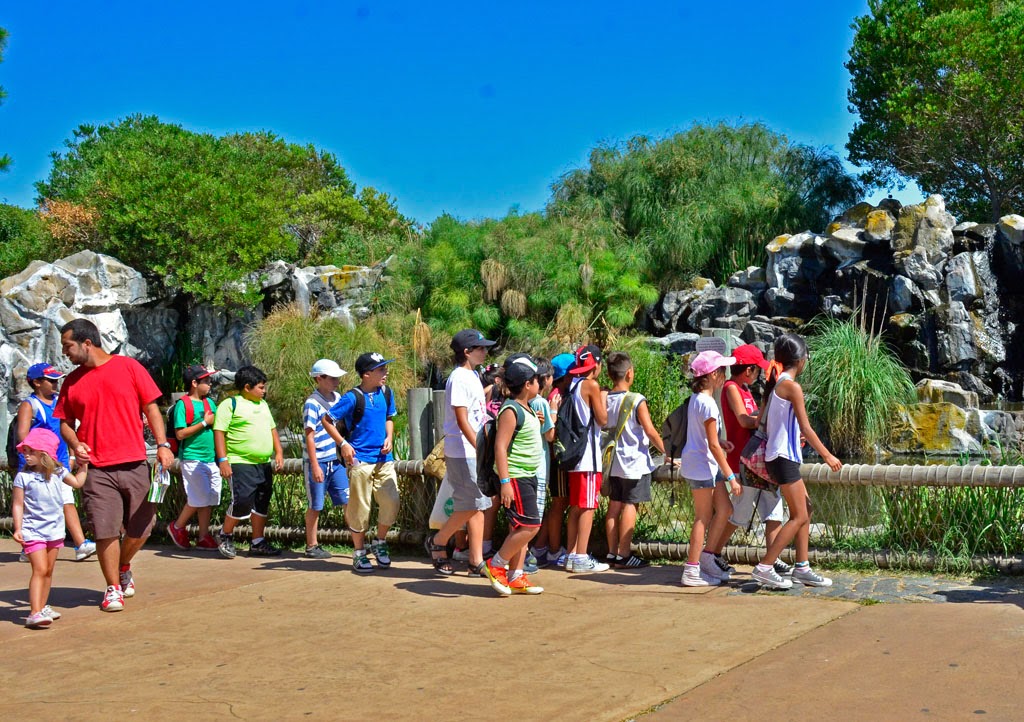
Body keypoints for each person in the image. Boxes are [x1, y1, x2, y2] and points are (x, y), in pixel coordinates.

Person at [55, 318, 175, 613]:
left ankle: (123, 565)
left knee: (144, 527)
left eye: (67, 346)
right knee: (105, 530)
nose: (65, 353)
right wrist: (75, 444)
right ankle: (112, 587)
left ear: (87, 343)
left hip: (135, 462)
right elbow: (65, 425)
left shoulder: (129, 367)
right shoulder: (71, 382)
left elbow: (151, 407)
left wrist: (162, 445)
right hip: (95, 468)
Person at [751, 334, 843, 590]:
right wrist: (827, 455)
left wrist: (796, 434)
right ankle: (765, 566)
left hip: (782, 456)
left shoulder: (778, 383)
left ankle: (802, 567)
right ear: (801, 361)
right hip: (782, 458)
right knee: (799, 515)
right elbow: (807, 426)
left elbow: (783, 424)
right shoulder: (791, 386)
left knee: (806, 509)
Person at [706, 345, 793, 579]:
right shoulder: (732, 387)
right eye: (757, 371)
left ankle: (772, 558)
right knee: (739, 512)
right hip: (744, 460)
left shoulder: (744, 389)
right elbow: (745, 421)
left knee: (773, 508)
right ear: (749, 370)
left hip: (759, 460)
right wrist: (764, 408)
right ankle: (713, 552)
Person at [425, 329, 496, 577]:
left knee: (478, 505)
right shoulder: (458, 377)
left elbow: (477, 414)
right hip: (463, 450)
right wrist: (480, 447)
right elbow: (462, 418)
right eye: (481, 348)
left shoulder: (473, 375)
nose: (485, 352)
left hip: (471, 449)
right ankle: (439, 540)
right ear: (467, 352)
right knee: (471, 504)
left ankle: (475, 560)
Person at [322, 352, 400, 574]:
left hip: (384, 459)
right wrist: (343, 444)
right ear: (367, 374)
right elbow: (327, 420)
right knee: (360, 507)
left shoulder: (386, 393)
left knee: (391, 502)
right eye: (381, 369)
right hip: (360, 460)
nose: (386, 373)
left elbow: (389, 418)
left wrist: (389, 437)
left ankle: (380, 542)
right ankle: (358, 552)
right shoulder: (351, 397)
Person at [15, 362, 96, 562]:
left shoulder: (60, 401)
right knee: (36, 504)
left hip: (59, 463)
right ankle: (33, 544)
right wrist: (40, 453)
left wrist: (72, 453)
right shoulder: (29, 405)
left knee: (66, 499)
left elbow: (66, 429)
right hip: (39, 465)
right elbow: (23, 437)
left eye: (56, 380)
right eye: (50, 381)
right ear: (36, 382)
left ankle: (80, 543)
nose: (55, 384)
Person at [11, 428, 89, 627]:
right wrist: (18, 528)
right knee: (40, 569)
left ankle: (42, 606)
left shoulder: (59, 472)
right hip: (32, 530)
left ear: (44, 453)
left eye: (30, 451)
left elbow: (78, 483)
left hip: (54, 529)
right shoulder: (23, 477)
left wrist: (84, 466)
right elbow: (18, 504)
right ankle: (34, 612)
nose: (26, 455)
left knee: (49, 570)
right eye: (25, 451)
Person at [483, 354, 546, 596]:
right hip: (516, 476)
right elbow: (501, 446)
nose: (539, 384)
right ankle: (496, 564)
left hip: (528, 475)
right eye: (536, 380)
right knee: (531, 525)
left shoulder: (526, 408)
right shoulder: (510, 409)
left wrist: (536, 420)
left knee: (519, 527)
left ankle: (516, 574)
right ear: (528, 384)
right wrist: (506, 482)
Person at [679, 350, 741, 587]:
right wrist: (731, 476)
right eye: (722, 370)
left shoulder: (697, 400)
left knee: (724, 509)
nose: (725, 374)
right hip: (704, 466)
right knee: (703, 518)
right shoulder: (708, 404)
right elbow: (713, 445)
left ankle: (707, 558)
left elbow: (710, 439)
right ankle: (692, 569)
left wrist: (719, 443)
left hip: (703, 463)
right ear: (713, 375)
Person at [603, 351, 666, 569]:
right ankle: (624, 553)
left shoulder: (605, 398)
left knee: (614, 506)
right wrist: (666, 451)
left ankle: (612, 553)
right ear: (629, 373)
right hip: (634, 462)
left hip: (612, 462)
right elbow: (649, 430)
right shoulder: (636, 399)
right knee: (631, 504)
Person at [214, 365, 285, 559]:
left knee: (262, 502)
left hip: (262, 463)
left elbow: (272, 429)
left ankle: (257, 542)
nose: (264, 391)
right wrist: (223, 460)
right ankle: (225, 534)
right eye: (261, 387)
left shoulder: (263, 405)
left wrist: (278, 452)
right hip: (239, 461)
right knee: (243, 500)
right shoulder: (230, 405)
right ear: (247, 387)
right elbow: (219, 432)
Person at [563, 344, 610, 573]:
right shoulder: (591, 385)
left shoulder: (572, 385)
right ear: (597, 365)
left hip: (575, 456)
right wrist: (602, 396)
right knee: (588, 507)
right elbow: (602, 420)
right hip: (588, 457)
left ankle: (571, 554)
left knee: (576, 507)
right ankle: (581, 556)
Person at [167, 365, 222, 551]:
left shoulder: (210, 403)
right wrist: (204, 422)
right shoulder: (183, 405)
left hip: (210, 458)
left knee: (209, 497)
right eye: (206, 381)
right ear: (194, 383)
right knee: (199, 497)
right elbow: (180, 434)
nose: (209, 384)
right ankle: (177, 526)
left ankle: (203, 536)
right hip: (192, 457)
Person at [302, 359, 350, 559]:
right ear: (319, 378)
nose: (336, 381)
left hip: (335, 459)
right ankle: (311, 544)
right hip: (319, 459)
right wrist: (314, 465)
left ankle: (359, 540)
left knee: (348, 500)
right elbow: (309, 435)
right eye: (332, 378)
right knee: (316, 504)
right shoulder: (311, 403)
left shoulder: (338, 397)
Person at [537, 352, 574, 568]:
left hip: (556, 457)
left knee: (560, 502)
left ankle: (542, 546)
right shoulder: (556, 396)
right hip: (556, 458)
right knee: (559, 503)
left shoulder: (558, 393)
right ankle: (552, 549)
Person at [523, 358, 556, 572]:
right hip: (539, 467)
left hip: (527, 467)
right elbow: (550, 435)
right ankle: (525, 556)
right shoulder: (542, 403)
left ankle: (525, 554)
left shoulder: (525, 403)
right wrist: (553, 411)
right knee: (534, 515)